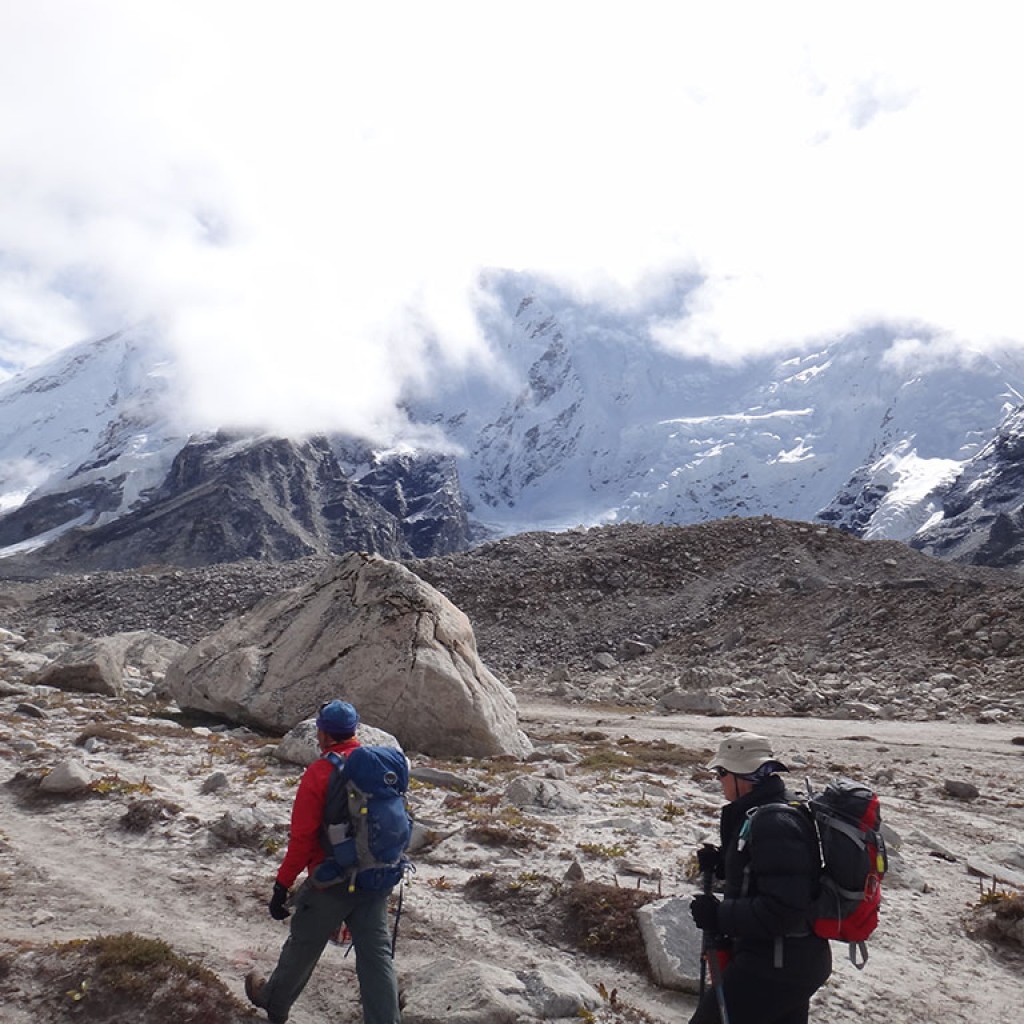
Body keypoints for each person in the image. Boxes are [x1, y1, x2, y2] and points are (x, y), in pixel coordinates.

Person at [245, 700, 402, 1024]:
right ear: (354, 730)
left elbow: (302, 839)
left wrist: (282, 885)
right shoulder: (378, 768)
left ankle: (274, 1002)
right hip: (374, 877)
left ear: (324, 734)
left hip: (331, 880)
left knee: (304, 943)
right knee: (376, 956)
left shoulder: (320, 773)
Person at [688, 731, 831, 1024]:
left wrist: (718, 916)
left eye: (722, 772)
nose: (718, 779)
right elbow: (768, 872)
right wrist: (723, 864)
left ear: (743, 776)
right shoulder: (773, 808)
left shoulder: (774, 822)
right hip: (791, 960)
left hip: (774, 966)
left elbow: (783, 909)